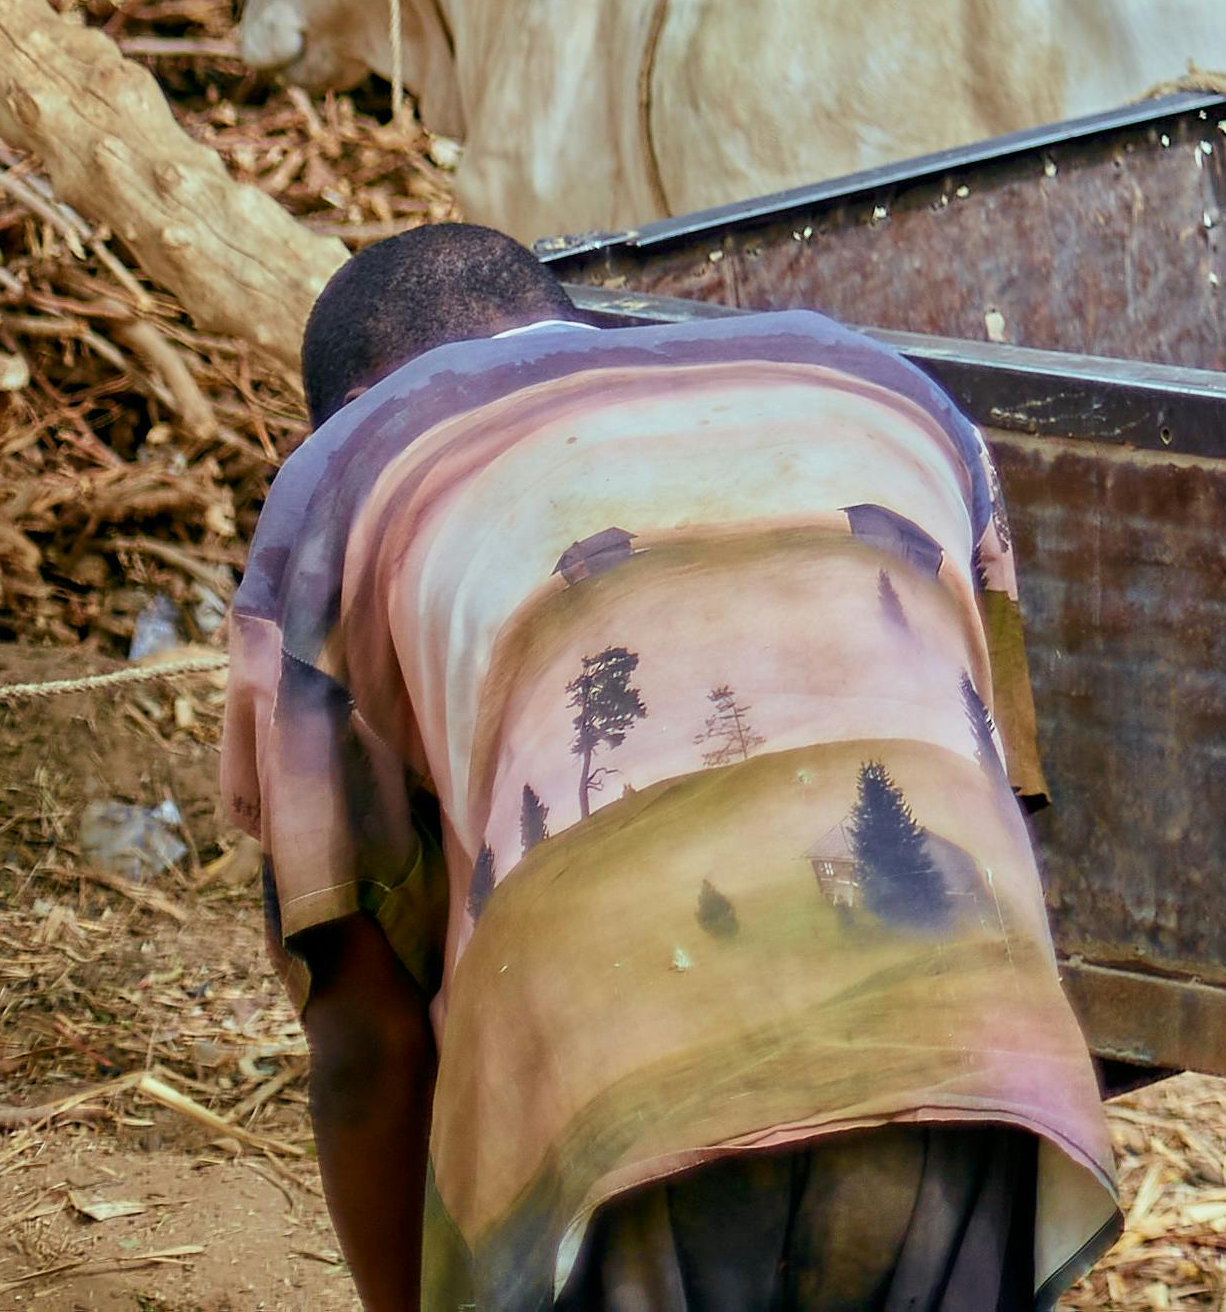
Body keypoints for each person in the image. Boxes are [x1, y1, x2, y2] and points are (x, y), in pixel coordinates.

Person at [221, 223, 1118, 1312]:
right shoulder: (885, 386)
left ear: (358, 393)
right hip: (973, 1080)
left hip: (632, 1125)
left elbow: (363, 1031)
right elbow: (1004, 793)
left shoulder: (349, 469)